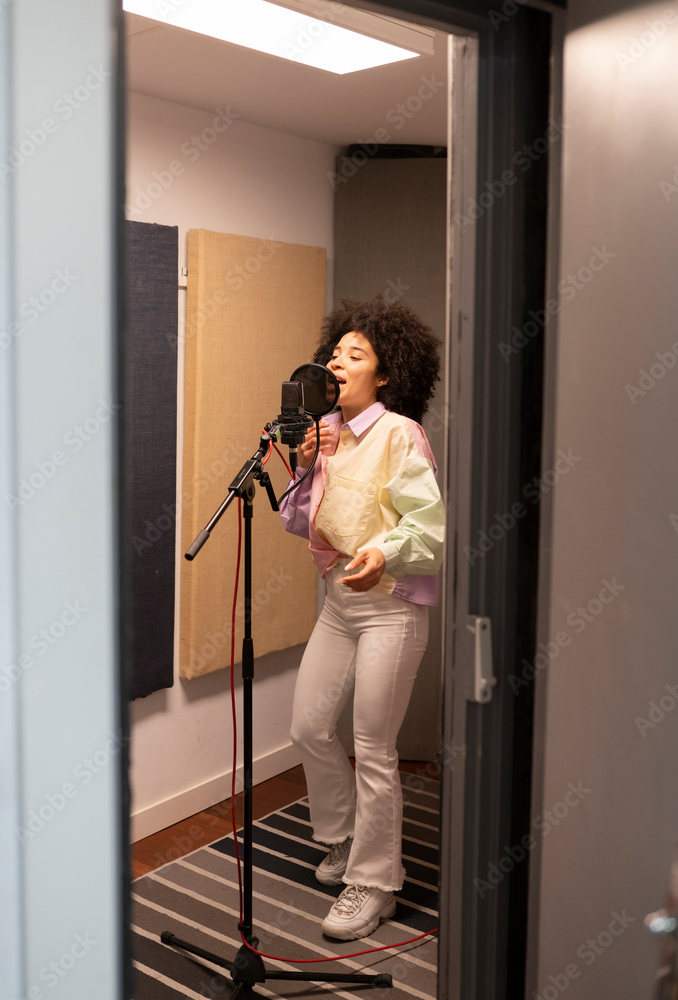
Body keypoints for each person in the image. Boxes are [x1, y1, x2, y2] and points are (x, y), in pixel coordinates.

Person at [279, 294, 445, 940]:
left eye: (355, 354)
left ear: (384, 374)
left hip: (389, 610)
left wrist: (384, 551)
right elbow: (301, 522)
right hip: (339, 602)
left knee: (373, 747)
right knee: (308, 726)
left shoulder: (399, 433)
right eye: (333, 353)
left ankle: (374, 882)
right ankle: (344, 839)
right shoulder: (327, 436)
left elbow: (429, 529)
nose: (337, 362)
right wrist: (304, 463)